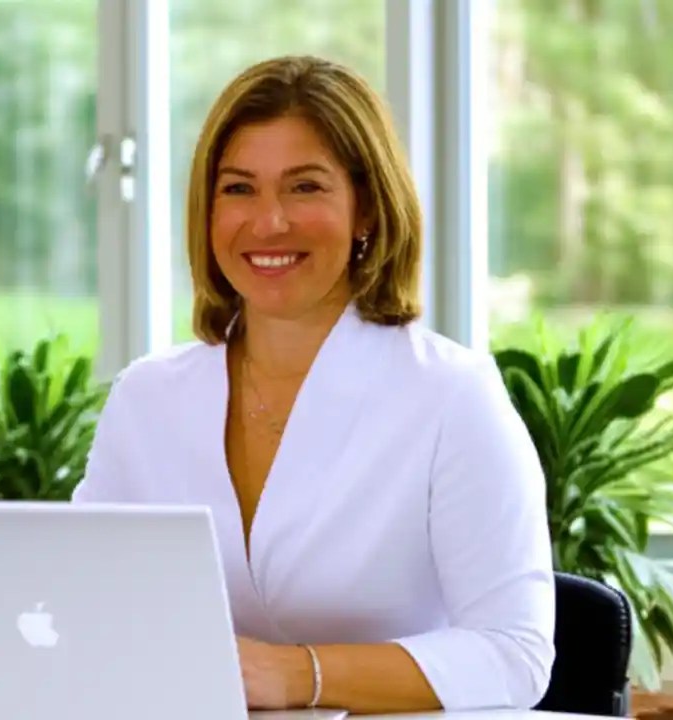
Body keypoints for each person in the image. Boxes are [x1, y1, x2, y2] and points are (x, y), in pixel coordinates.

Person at [71, 55, 555, 715]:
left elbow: (513, 654)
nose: (269, 222)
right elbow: (82, 610)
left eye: (305, 187)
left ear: (366, 210)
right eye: (238, 189)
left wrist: (301, 675)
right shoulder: (146, 399)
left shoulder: (452, 397)